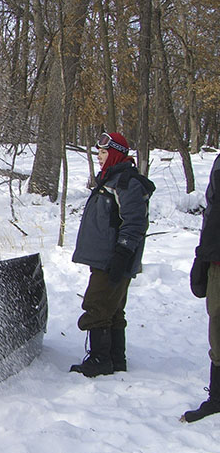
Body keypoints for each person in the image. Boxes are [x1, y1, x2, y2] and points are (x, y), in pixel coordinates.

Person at [70, 132, 155, 377]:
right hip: (106, 258)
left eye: (104, 152)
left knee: (96, 305)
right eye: (98, 153)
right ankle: (116, 359)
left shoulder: (126, 182)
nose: (99, 157)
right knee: (114, 308)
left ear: (116, 153)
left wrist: (122, 254)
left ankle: (99, 360)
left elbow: (135, 222)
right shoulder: (110, 178)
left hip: (113, 258)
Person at [182, 153, 220, 422]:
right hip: (217, 262)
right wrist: (202, 255)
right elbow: (213, 211)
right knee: (217, 327)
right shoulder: (219, 165)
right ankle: (217, 397)